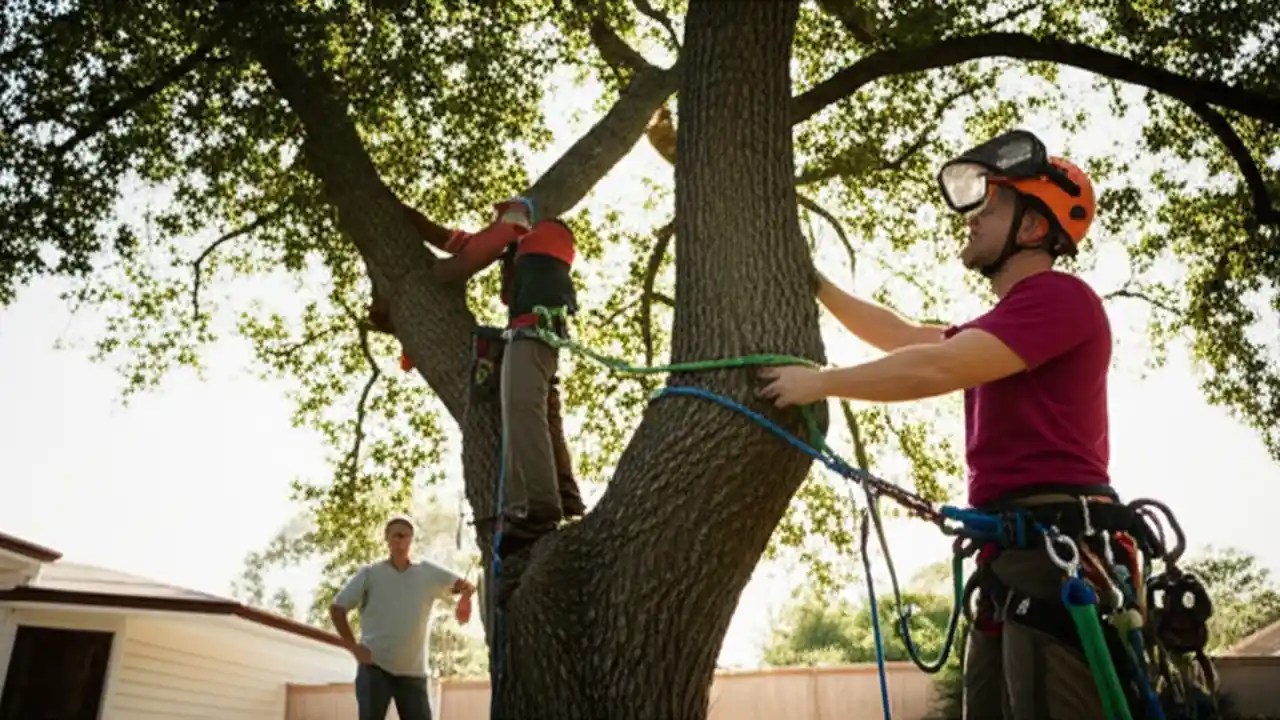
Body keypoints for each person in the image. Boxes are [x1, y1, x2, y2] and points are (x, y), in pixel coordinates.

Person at [758, 129, 1125, 720]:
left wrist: (820, 381)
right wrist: (817, 283)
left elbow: (937, 366)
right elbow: (903, 337)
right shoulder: (1004, 323)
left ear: (1032, 228)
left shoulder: (1062, 300)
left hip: (1050, 548)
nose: (973, 220)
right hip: (1010, 553)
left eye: (991, 207)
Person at [365, 196, 587, 537]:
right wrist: (412, 219)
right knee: (541, 412)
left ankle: (538, 508)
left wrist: (422, 279)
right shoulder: (521, 246)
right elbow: (460, 243)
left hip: (531, 333)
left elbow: (462, 260)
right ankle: (563, 500)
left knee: (522, 412)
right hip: (535, 337)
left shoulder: (530, 236)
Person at [330, 515, 476, 720]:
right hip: (375, 669)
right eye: (394, 536)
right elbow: (337, 609)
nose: (399, 541)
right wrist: (354, 647)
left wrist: (465, 600)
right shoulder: (370, 574)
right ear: (386, 539)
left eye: (404, 536)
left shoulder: (427, 573)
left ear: (411, 539)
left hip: (413, 673)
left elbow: (466, 586)